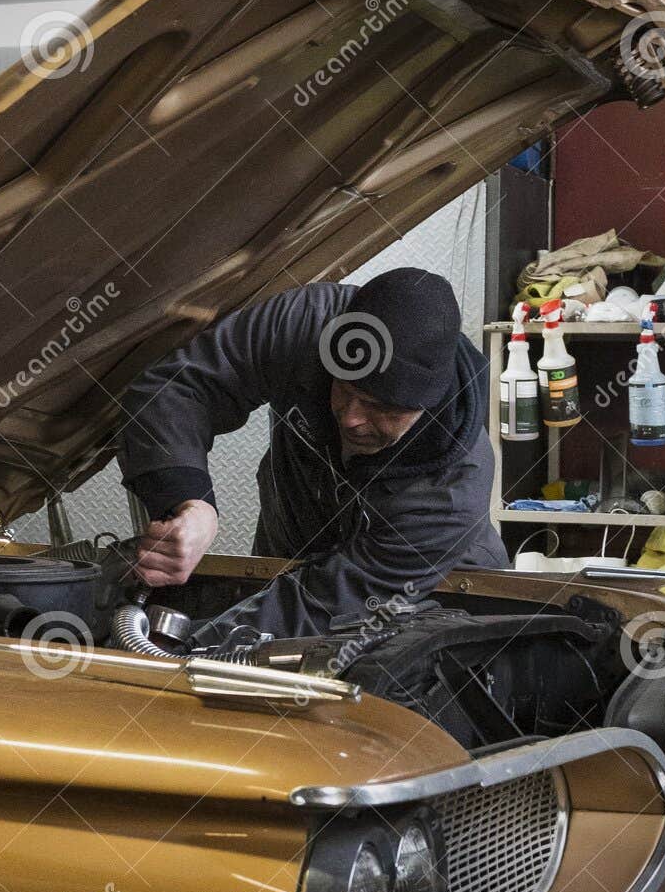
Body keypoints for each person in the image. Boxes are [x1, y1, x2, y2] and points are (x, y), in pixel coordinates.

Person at [118, 266, 507, 647]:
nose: (351, 418)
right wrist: (192, 502)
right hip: (288, 553)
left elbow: (327, 606)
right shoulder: (305, 325)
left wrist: (188, 653)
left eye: (379, 407)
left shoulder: (455, 489)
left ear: (426, 405)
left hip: (429, 596)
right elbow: (179, 388)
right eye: (345, 388)